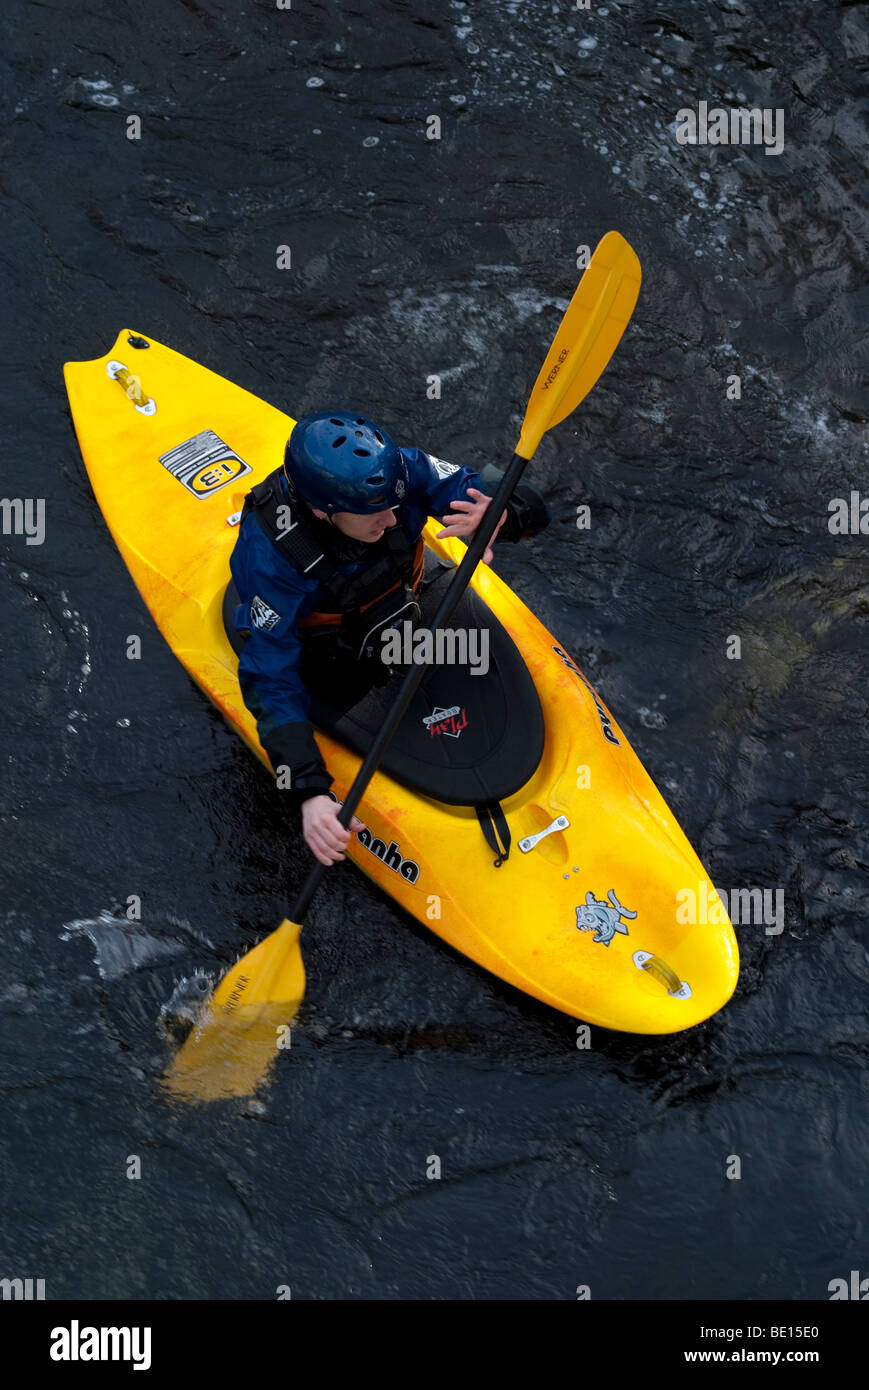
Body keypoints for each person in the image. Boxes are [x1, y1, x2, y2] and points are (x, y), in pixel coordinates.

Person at [229, 412, 548, 866]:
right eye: (375, 512)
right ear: (325, 511)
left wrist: (504, 512)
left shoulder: (397, 473)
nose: (394, 515)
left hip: (406, 607)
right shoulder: (272, 555)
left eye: (394, 502)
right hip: (333, 661)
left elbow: (511, 501)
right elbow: (269, 672)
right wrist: (309, 791)